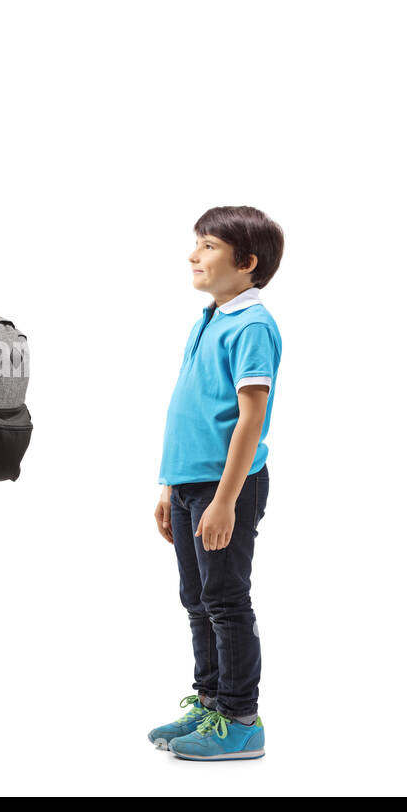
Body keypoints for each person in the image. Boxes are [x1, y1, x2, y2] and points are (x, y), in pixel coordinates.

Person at [148, 206, 283, 761]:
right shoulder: (211, 317)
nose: (193, 255)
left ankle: (240, 718)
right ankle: (210, 704)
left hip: (225, 488)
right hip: (188, 485)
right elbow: (191, 409)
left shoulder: (252, 325)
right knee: (197, 600)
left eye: (207, 246)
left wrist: (225, 499)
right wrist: (166, 486)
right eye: (196, 244)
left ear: (247, 263)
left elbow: (250, 417)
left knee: (226, 601)